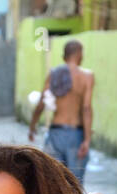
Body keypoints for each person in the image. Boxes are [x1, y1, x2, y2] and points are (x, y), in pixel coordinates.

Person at [28, 40, 94, 185]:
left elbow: (41, 102)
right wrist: (87, 139)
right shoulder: (87, 76)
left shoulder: (54, 74)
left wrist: (32, 126)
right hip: (76, 135)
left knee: (53, 183)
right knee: (75, 185)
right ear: (80, 54)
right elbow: (86, 108)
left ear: (64, 56)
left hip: (55, 133)